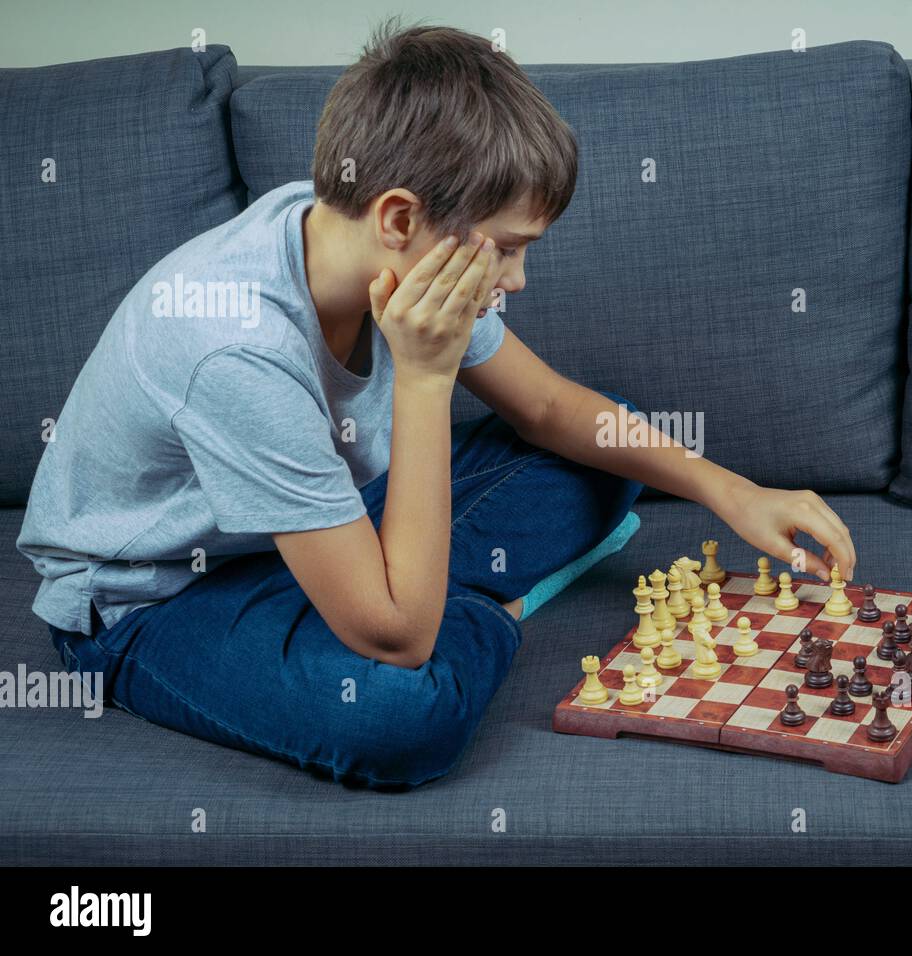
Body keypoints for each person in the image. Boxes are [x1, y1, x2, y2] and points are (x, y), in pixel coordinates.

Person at [17, 23, 856, 789]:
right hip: (157, 597)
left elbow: (551, 407)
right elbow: (399, 637)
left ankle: (417, 582)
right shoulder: (232, 348)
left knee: (602, 443)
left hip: (322, 524)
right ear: (400, 217)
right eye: (511, 250)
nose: (518, 282)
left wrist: (733, 491)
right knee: (397, 714)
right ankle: (492, 608)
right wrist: (423, 378)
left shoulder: (361, 240)